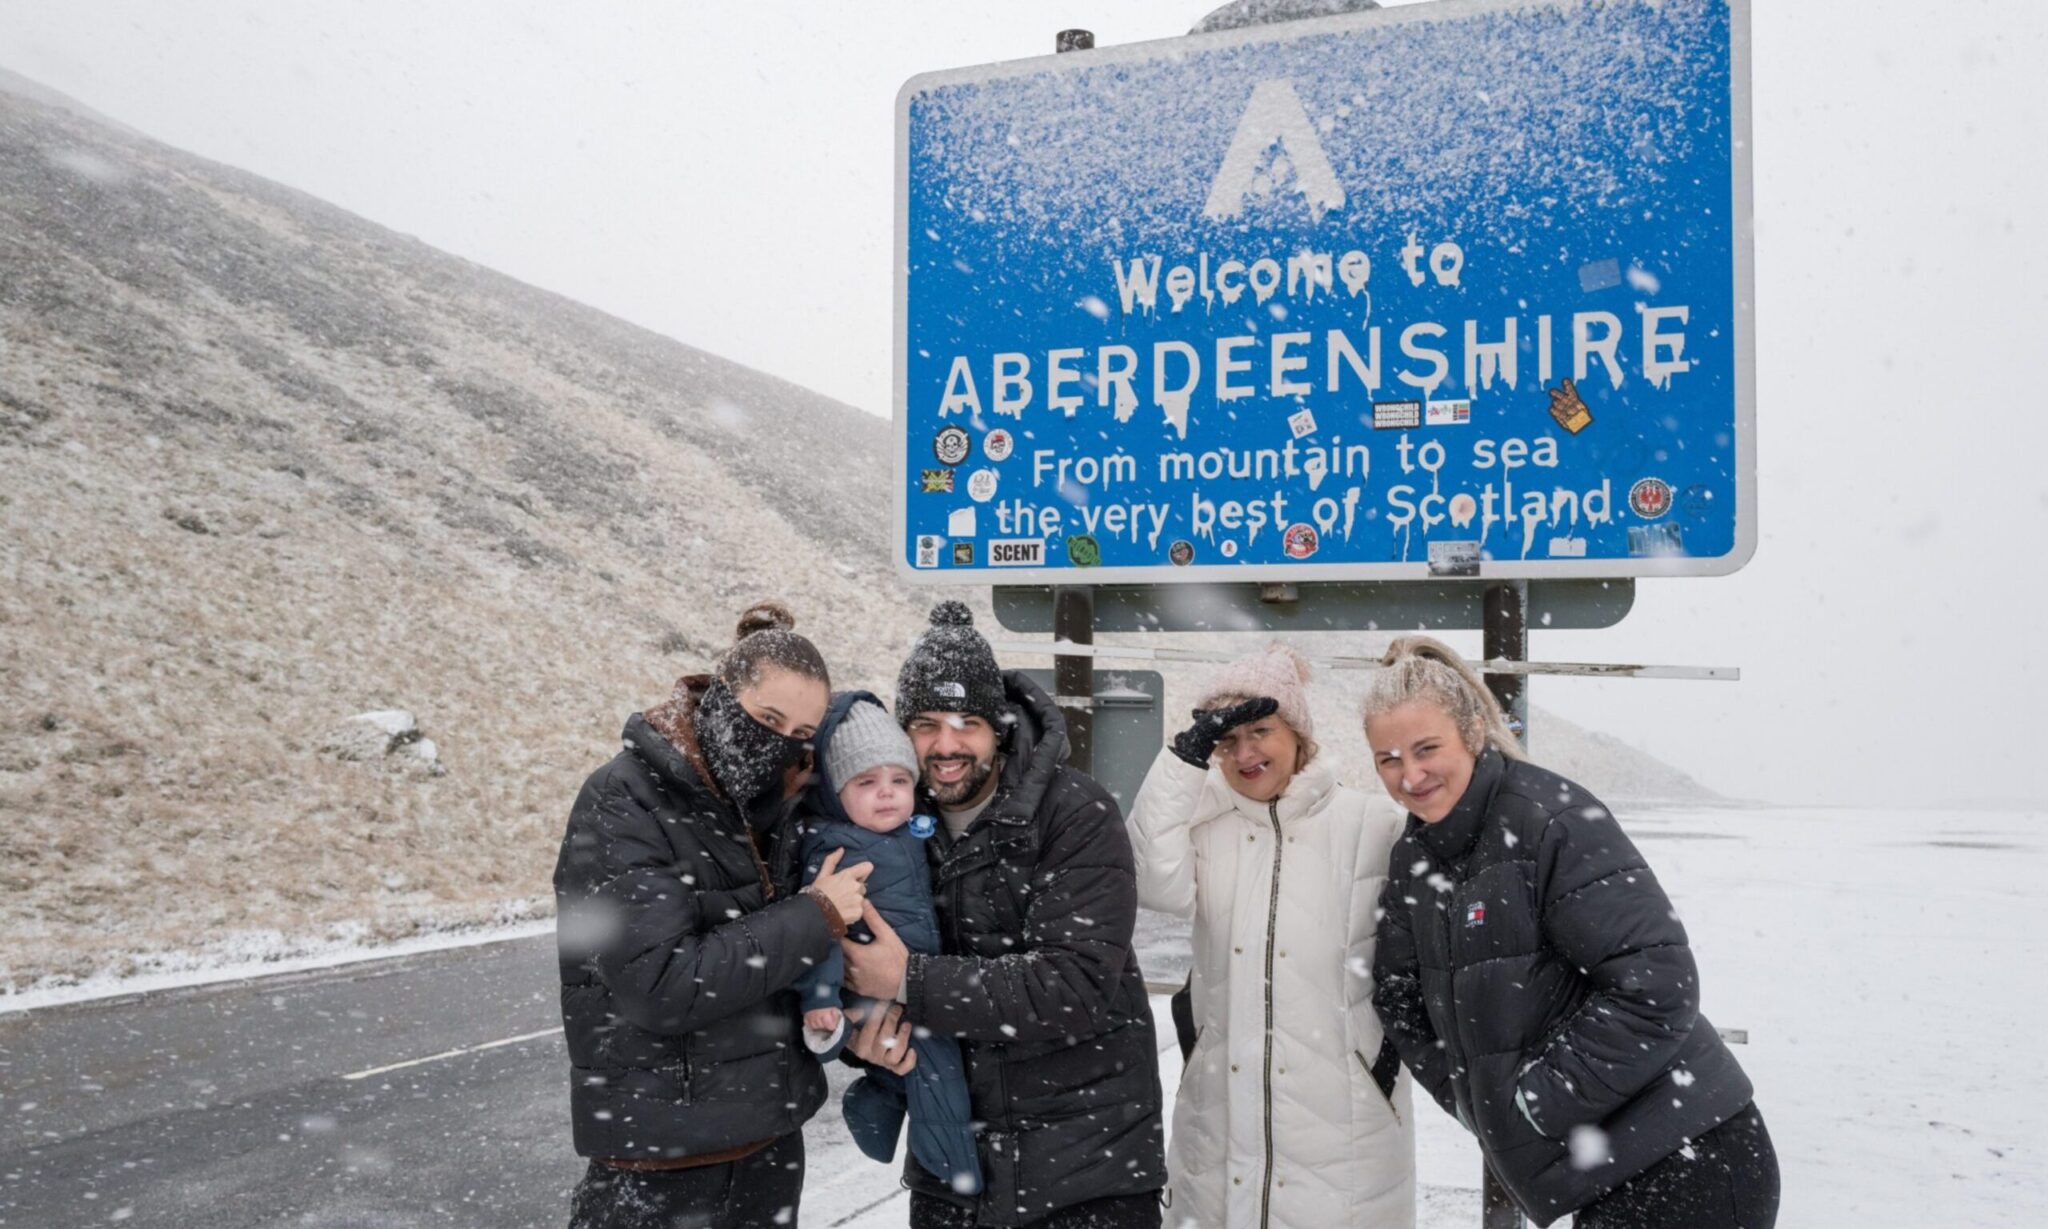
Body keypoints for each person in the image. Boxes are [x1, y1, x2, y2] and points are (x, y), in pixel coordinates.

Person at [1365, 636, 1778, 1229]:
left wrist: (1533, 1105)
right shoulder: (1416, 856)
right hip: (1603, 1173)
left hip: (1686, 1155)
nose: (1411, 775)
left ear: (1473, 731)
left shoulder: (1548, 821)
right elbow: (1398, 996)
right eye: (1388, 759)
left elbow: (1658, 988)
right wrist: (1480, 1104)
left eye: (1427, 748)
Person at [838, 600, 1167, 1229]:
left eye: (967, 722)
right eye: (926, 724)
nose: (946, 745)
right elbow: (853, 969)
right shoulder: (888, 826)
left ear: (1000, 728)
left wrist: (907, 980)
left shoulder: (1076, 813)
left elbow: (1072, 987)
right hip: (951, 1174)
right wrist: (865, 1035)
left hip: (1085, 1179)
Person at [552, 601, 874, 1229]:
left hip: (769, 1146)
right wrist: (816, 916)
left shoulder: (772, 802)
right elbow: (662, 986)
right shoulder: (624, 799)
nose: (778, 744)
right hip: (662, 1166)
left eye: (800, 734)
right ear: (721, 693)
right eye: (767, 719)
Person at [1128, 643, 1416, 1229]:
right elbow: (1153, 881)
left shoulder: (1373, 825)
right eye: (1226, 739)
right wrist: (1183, 761)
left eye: (1261, 731)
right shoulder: (1206, 826)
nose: (1245, 752)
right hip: (1218, 1124)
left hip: (1346, 1132)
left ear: (1299, 735)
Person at [792, 691, 982, 1196]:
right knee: (935, 1071)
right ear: (835, 791)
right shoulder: (833, 851)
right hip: (875, 988)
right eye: (866, 782)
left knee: (916, 1068)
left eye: (900, 780)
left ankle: (879, 1101)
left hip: (918, 978)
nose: (887, 795)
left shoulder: (913, 829)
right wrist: (820, 999)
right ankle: (955, 1174)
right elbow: (819, 931)